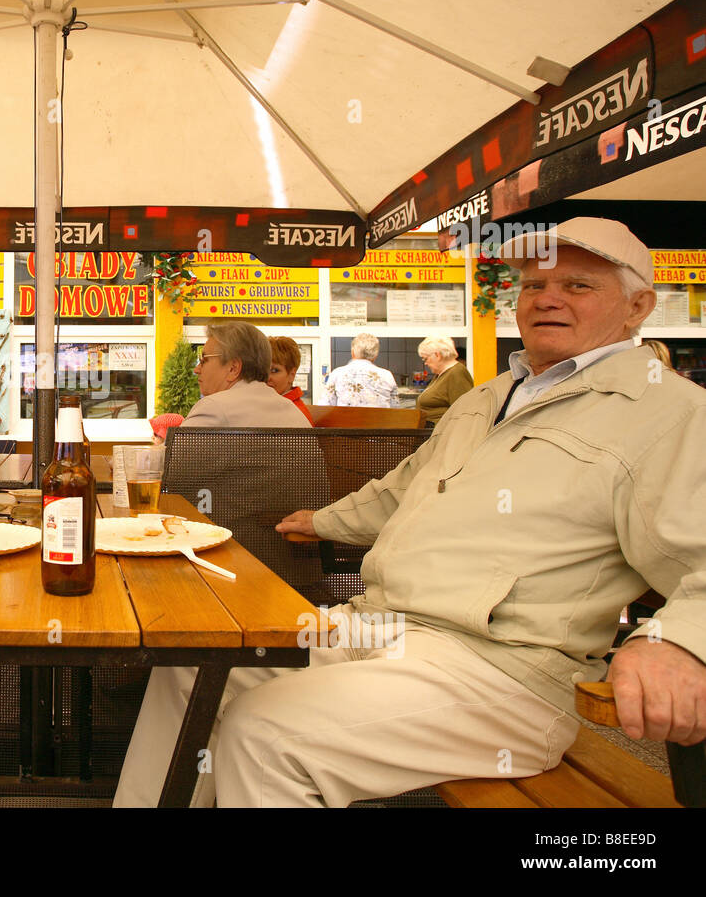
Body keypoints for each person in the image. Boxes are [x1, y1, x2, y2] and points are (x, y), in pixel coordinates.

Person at [114, 217, 706, 807]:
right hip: (378, 623)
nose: (547, 299)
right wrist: (319, 521)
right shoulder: (490, 396)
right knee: (192, 669)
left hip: (501, 668)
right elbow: (402, 488)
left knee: (266, 735)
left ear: (638, 307)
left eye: (578, 286)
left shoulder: (668, 411)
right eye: (533, 286)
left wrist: (676, 643)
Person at [183, 322, 310, 429]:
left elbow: (169, 457)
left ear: (234, 368)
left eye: (204, 359)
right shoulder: (296, 414)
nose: (196, 369)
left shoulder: (213, 408)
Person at [322, 332, 399, 407]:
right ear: (375, 355)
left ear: (353, 352)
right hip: (379, 419)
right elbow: (395, 408)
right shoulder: (387, 375)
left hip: (345, 419)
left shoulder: (337, 373)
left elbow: (326, 405)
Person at [414, 335, 473, 426]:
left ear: (437, 355)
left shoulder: (456, 373)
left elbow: (464, 412)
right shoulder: (440, 374)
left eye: (425, 358)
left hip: (443, 435)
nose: (425, 363)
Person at [265, 336, 313, 425]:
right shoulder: (271, 405)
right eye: (263, 370)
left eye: (274, 370)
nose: (266, 377)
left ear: (292, 375)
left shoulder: (295, 414)